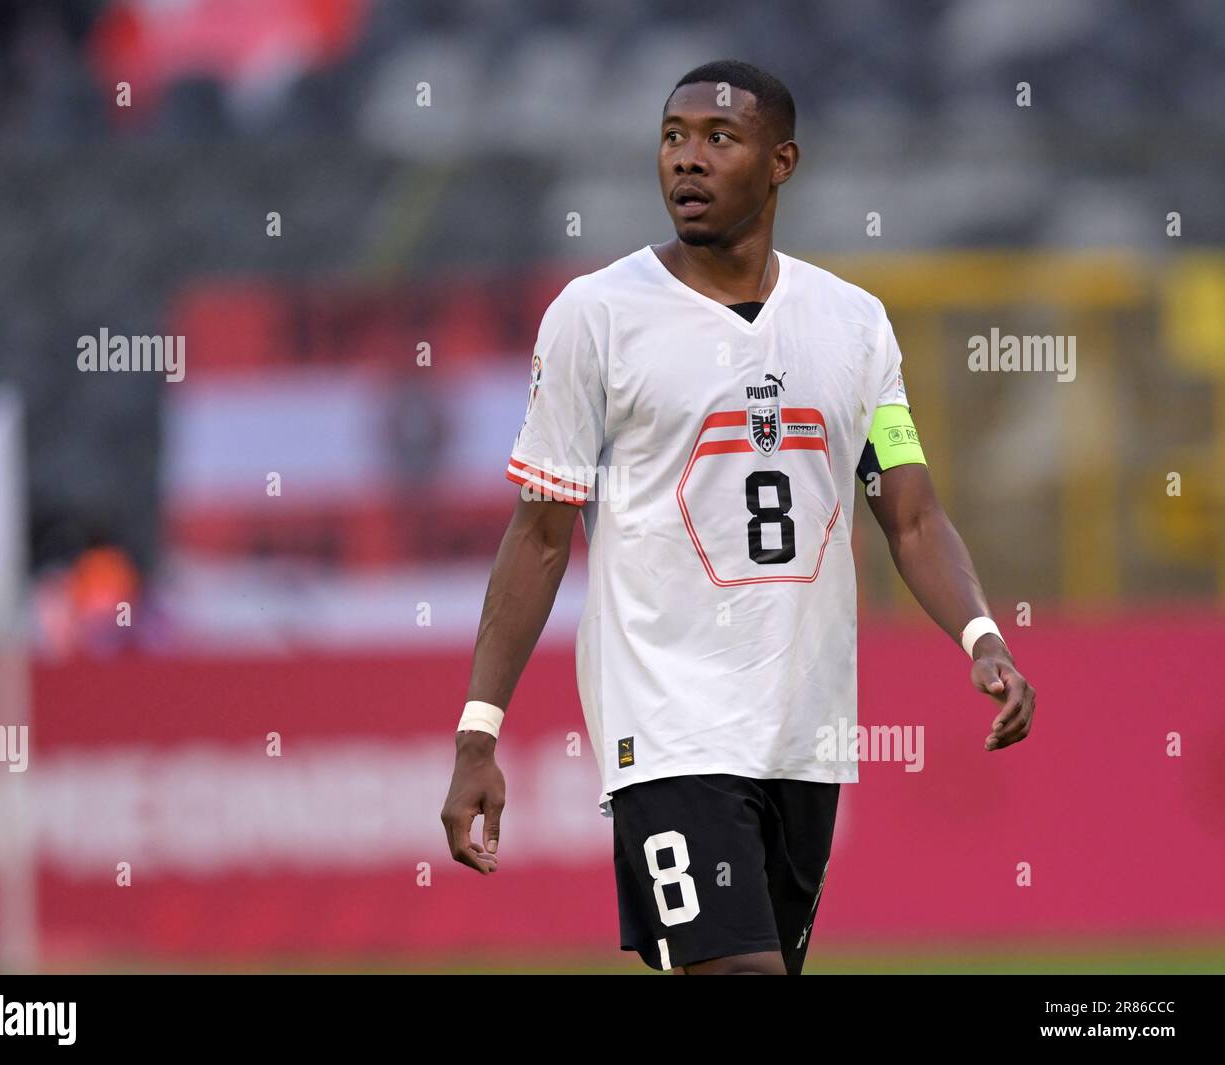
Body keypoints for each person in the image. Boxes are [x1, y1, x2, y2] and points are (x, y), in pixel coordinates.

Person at [440, 59, 1036, 975]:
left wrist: (981, 633)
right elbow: (540, 534)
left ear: (782, 161)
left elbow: (910, 514)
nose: (687, 160)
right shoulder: (594, 318)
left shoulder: (856, 325)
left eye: (719, 140)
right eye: (673, 138)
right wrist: (479, 732)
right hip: (669, 731)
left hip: (807, 735)